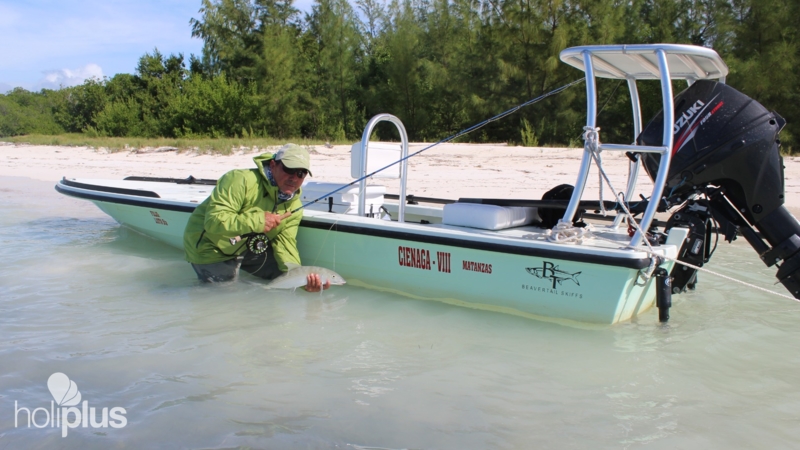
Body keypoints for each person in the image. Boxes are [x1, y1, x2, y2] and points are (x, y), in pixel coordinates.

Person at [183, 144, 330, 291]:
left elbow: (285, 247)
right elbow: (214, 221)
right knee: (225, 294)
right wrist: (259, 221)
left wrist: (300, 280)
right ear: (273, 165)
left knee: (280, 275)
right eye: (289, 170)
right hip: (210, 247)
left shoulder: (294, 206)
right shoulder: (239, 180)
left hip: (247, 247)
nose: (294, 178)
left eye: (301, 173)